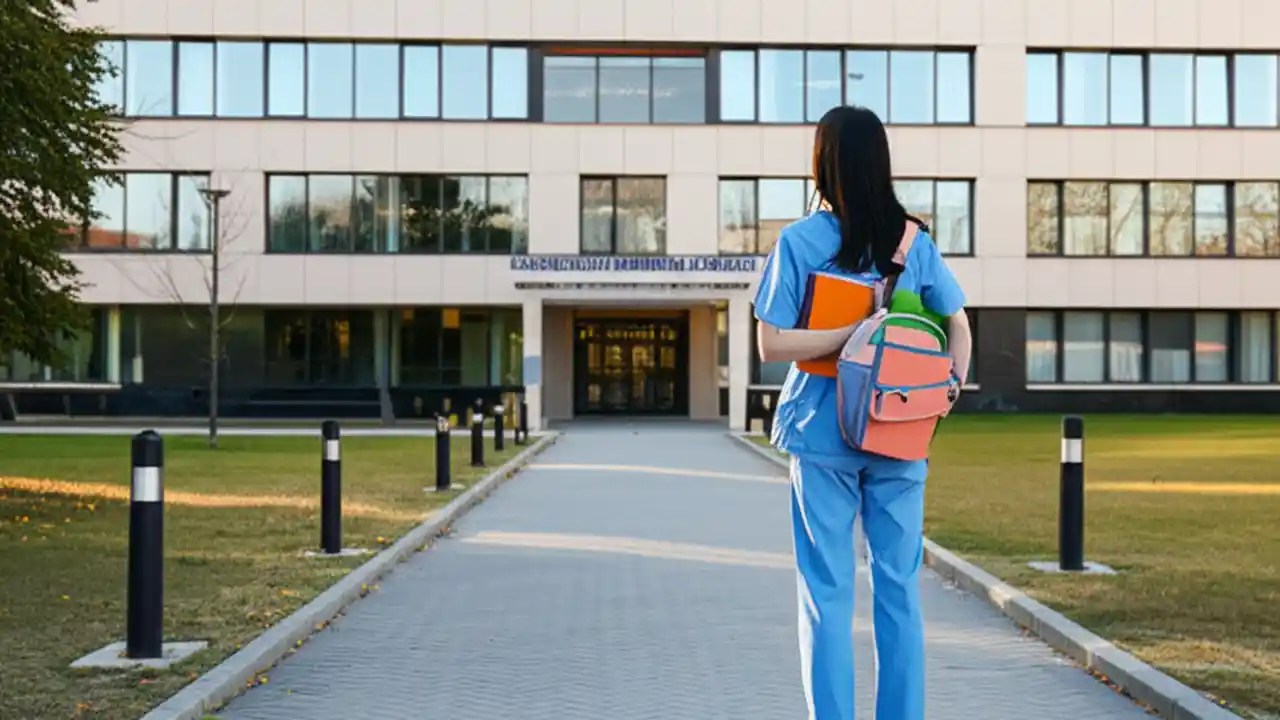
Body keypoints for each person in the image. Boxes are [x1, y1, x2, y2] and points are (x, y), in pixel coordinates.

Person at [752, 105, 972, 720]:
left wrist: (845, 333)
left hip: (822, 433)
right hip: (900, 432)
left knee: (826, 592)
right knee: (899, 590)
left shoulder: (800, 242)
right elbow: (958, 323)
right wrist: (947, 389)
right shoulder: (912, 242)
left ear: (824, 164)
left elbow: (771, 344)